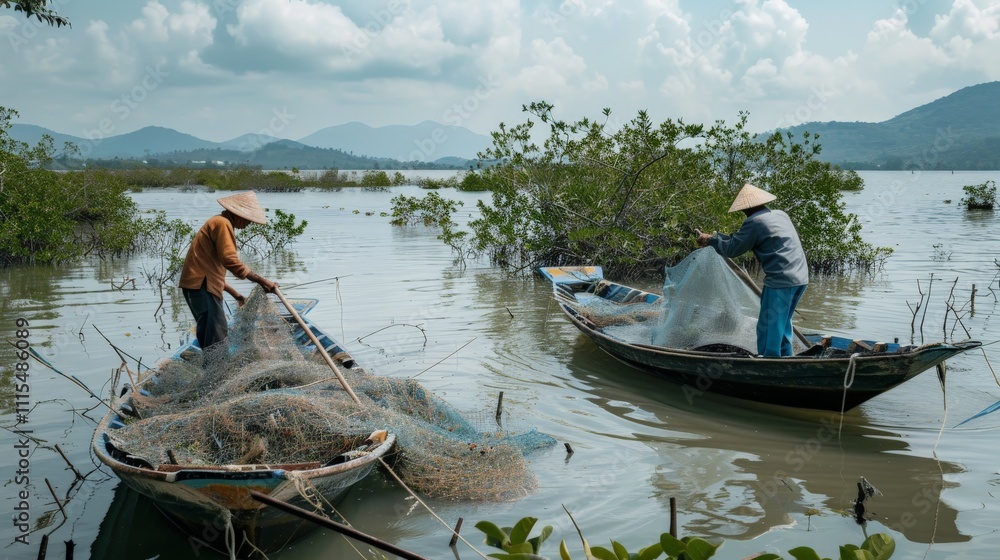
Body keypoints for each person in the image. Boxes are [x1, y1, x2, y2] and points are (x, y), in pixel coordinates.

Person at [696, 183, 808, 357]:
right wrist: (715, 238)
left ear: (746, 208)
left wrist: (710, 241)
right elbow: (739, 239)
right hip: (801, 277)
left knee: (768, 326)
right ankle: (786, 357)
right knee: (783, 323)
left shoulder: (754, 222)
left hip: (781, 280)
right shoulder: (780, 215)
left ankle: (769, 362)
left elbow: (732, 249)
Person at [179, 190, 278, 354]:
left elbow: (209, 271)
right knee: (216, 340)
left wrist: (236, 295)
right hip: (202, 289)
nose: (249, 224)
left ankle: (212, 373)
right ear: (238, 214)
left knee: (210, 336)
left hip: (197, 287)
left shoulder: (217, 222)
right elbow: (230, 261)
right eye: (248, 219)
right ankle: (215, 377)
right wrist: (262, 281)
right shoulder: (223, 223)